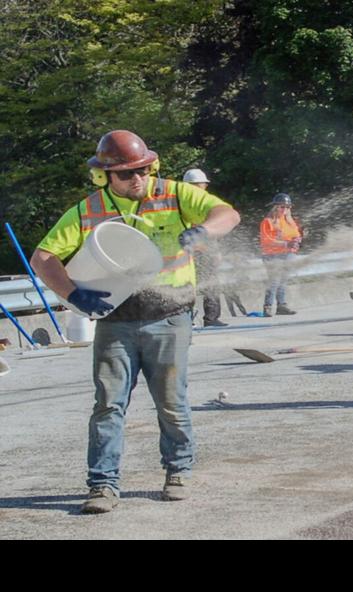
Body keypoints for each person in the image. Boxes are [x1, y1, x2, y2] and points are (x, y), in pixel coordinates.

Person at [29, 130, 240, 514]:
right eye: (126, 174)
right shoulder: (89, 210)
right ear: (105, 175)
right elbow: (43, 257)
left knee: (171, 402)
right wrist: (72, 293)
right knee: (108, 405)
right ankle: (103, 485)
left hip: (170, 315)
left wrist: (204, 230)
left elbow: (228, 214)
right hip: (116, 321)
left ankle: (178, 472)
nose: (137, 179)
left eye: (142, 169)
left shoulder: (175, 194)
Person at [180, 169, 246, 327]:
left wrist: (215, 250)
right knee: (196, 286)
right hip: (194, 252)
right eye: (201, 184)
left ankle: (206, 318)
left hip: (198, 252)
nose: (203, 187)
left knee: (205, 285)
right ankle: (202, 318)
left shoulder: (197, 203)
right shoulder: (190, 203)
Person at [258, 194, 303, 316]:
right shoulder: (267, 222)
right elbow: (266, 240)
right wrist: (285, 244)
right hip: (272, 255)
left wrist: (297, 241)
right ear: (275, 207)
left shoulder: (289, 220)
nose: (285, 209)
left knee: (283, 280)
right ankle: (267, 307)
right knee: (274, 281)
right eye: (282, 206)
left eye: (288, 207)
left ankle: (281, 306)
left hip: (288, 254)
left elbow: (296, 234)